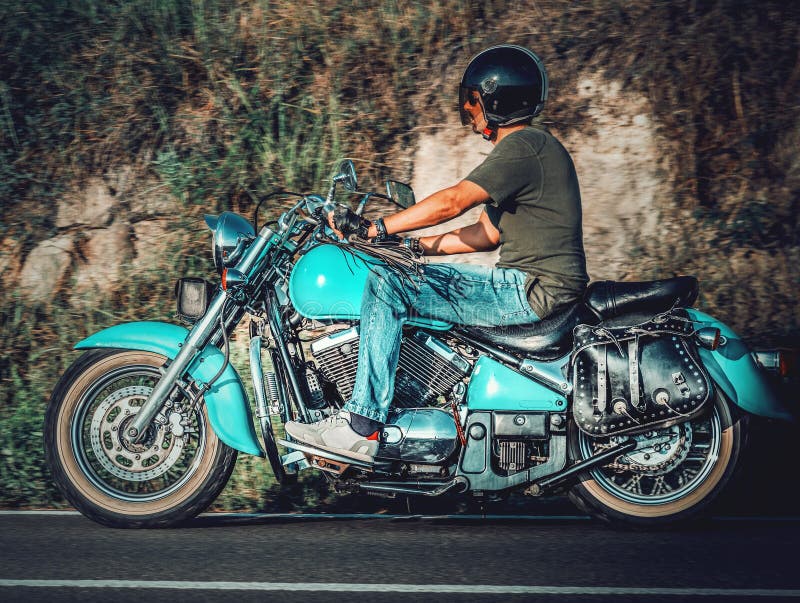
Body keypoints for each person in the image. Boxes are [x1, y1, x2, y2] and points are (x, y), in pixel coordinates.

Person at [285, 44, 589, 462]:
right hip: (533, 285)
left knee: (389, 284)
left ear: (497, 99)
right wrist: (409, 246)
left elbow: (453, 202)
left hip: (531, 290)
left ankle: (361, 427)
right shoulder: (533, 152)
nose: (470, 109)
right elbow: (484, 234)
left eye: (474, 100)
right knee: (400, 272)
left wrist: (377, 227)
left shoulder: (525, 146)